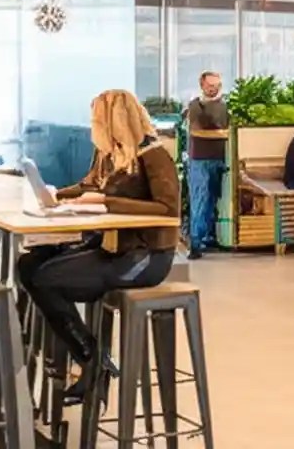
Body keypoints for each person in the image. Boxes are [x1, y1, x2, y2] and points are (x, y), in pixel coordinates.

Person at [16, 90, 179, 404]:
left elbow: (168, 209)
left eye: (97, 120)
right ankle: (88, 358)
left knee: (47, 279)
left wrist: (107, 202)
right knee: (29, 264)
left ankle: (90, 359)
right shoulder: (108, 153)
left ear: (114, 121)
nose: (93, 127)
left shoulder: (153, 155)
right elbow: (89, 186)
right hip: (111, 246)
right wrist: (56, 197)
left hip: (145, 256)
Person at [185, 71, 228, 260]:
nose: (213, 89)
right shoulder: (195, 105)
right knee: (200, 198)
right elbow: (196, 131)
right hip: (199, 159)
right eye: (210, 85)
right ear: (202, 85)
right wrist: (223, 133)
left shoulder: (226, 106)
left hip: (220, 157)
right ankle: (195, 242)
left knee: (215, 198)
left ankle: (209, 237)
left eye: (217, 85)